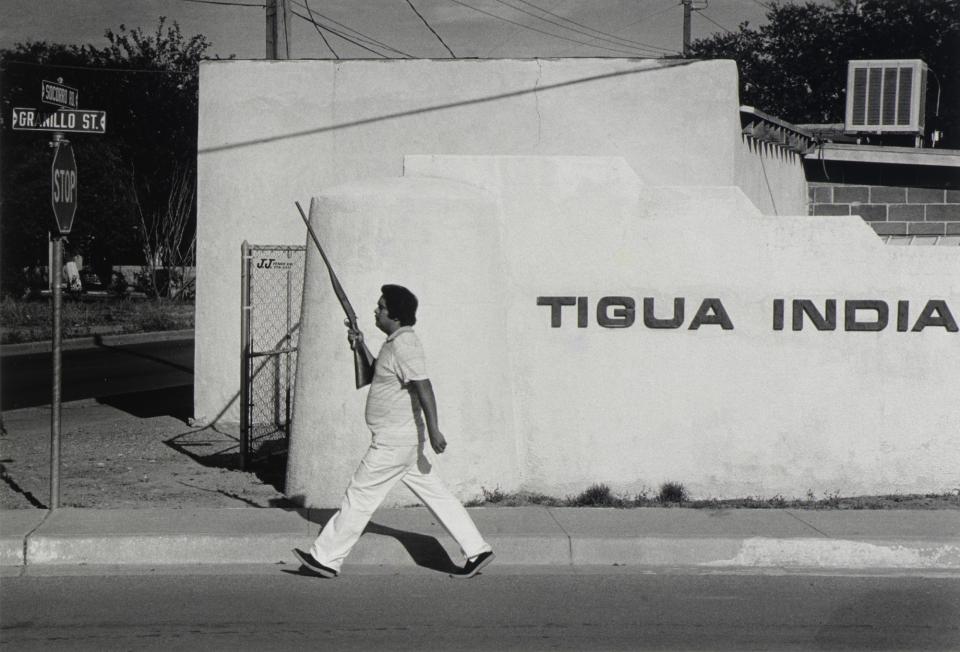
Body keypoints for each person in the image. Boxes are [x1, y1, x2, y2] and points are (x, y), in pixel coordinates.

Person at [294, 284, 495, 579]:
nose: (376, 311)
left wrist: (436, 430)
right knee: (438, 496)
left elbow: (423, 386)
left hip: (393, 443)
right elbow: (376, 375)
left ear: (396, 316)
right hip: (403, 443)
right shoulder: (395, 342)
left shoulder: (404, 345)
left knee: (359, 496)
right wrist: (359, 344)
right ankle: (477, 550)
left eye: (381, 307)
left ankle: (325, 558)